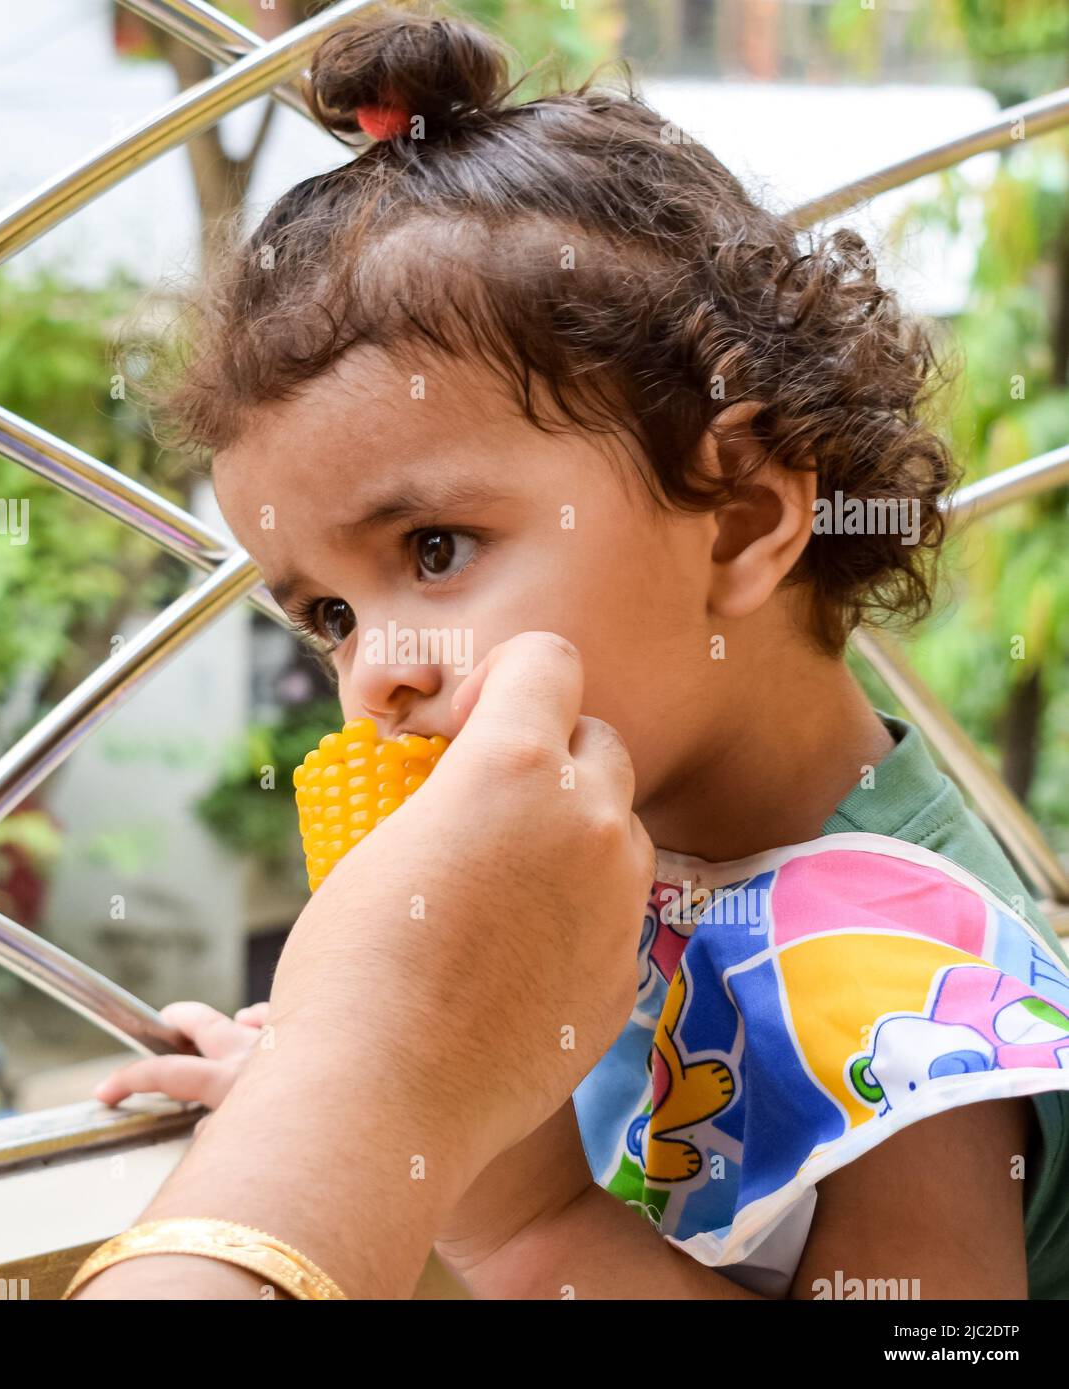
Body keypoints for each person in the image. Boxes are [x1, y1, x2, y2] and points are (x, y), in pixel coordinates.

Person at [73, 4, 1069, 1299]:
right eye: (326, 613)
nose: (374, 670)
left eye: (433, 549)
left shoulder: (916, 979)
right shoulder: (598, 857)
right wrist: (334, 1088)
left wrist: (522, 1215)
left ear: (743, 519)